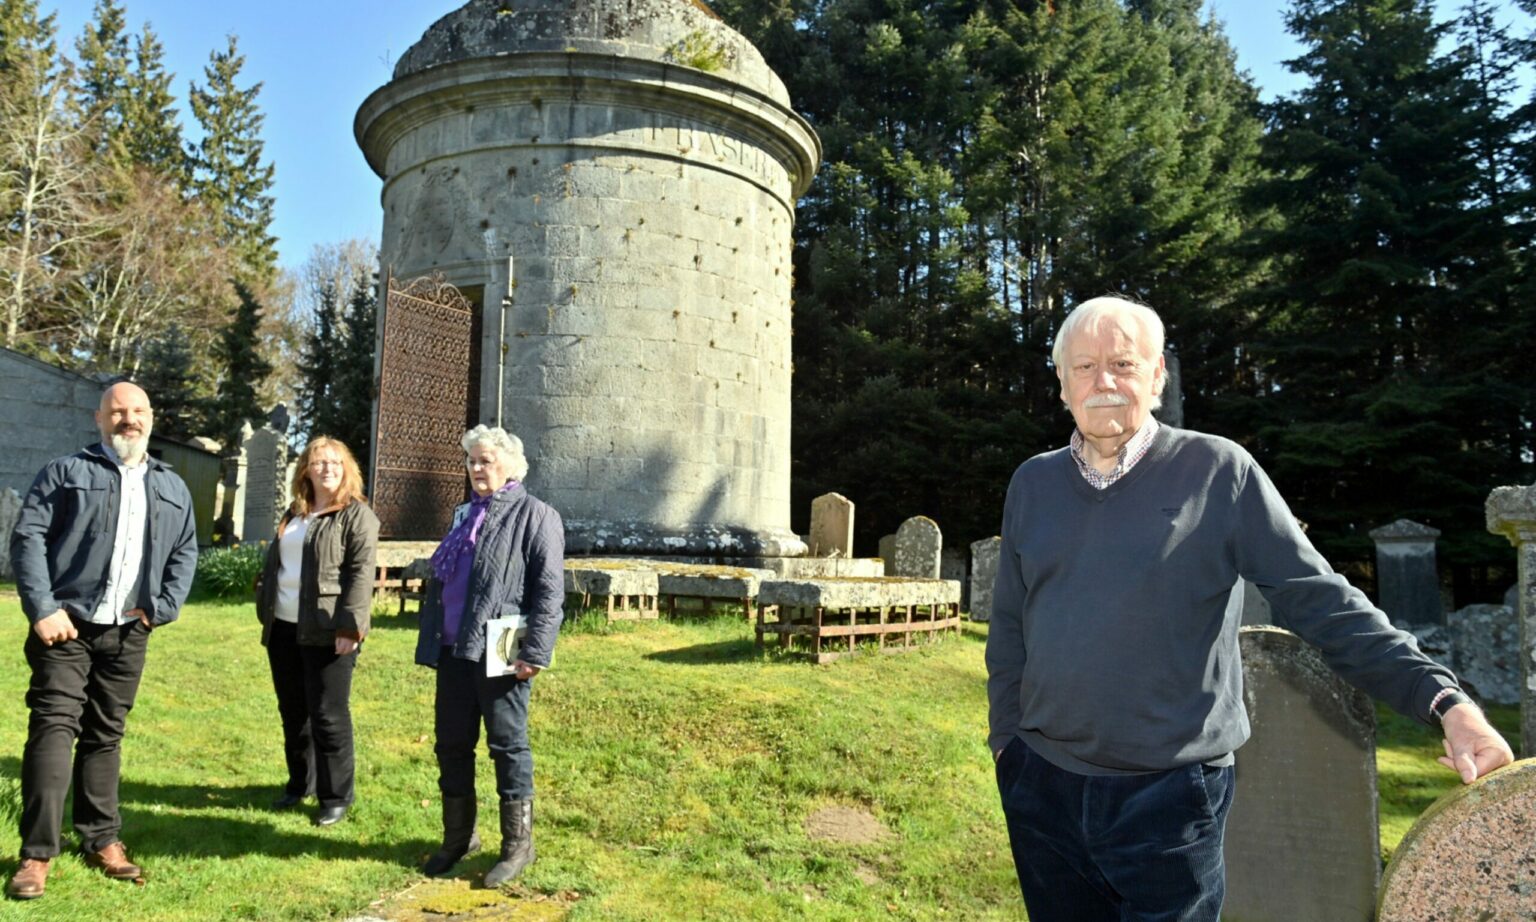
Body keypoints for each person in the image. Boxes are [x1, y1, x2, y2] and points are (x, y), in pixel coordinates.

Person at [985, 296, 1514, 922]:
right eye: (1084, 366)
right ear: (1061, 382)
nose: (1104, 382)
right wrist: (1008, 746)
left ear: (1156, 377)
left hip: (1168, 800)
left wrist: (1444, 700)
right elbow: (1011, 627)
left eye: (1124, 364)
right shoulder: (1033, 483)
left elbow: (1320, 598)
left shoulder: (1219, 471)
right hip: (1042, 787)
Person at [7, 382, 198, 900]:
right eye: (117, 412)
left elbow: (185, 551)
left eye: (137, 411)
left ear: (150, 418)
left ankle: (101, 839)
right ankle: (37, 853)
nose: (128, 419)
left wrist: (160, 609)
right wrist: (43, 609)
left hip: (128, 631)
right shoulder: (66, 472)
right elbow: (28, 537)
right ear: (99, 419)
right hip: (65, 628)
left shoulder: (172, 486)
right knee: (53, 730)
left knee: (106, 735)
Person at [414, 425, 564, 886]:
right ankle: (459, 838)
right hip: (453, 647)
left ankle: (518, 846)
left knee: (507, 746)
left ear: (510, 466)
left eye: (486, 461)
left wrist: (536, 651)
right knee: (452, 744)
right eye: (472, 460)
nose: (476, 468)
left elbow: (549, 591)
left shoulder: (536, 515)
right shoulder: (463, 514)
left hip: (502, 648)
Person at [255, 437, 379, 827]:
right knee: (293, 712)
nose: (327, 468)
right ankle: (300, 784)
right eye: (318, 462)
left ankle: (336, 796)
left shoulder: (357, 515)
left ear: (346, 469)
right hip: (283, 628)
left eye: (335, 462)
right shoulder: (295, 512)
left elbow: (360, 574)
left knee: (327, 714)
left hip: (329, 630)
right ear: (306, 470)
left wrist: (350, 627)